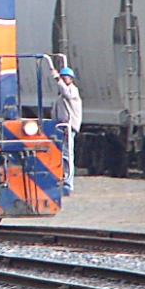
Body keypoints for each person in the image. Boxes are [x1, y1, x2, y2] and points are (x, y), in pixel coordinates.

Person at [51, 66, 82, 196]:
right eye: (62, 77)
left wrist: (57, 78)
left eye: (66, 78)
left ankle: (68, 184)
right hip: (61, 127)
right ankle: (62, 180)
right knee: (60, 155)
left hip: (69, 127)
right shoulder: (60, 97)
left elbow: (66, 92)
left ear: (71, 79)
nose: (64, 80)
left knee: (67, 155)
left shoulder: (72, 91)